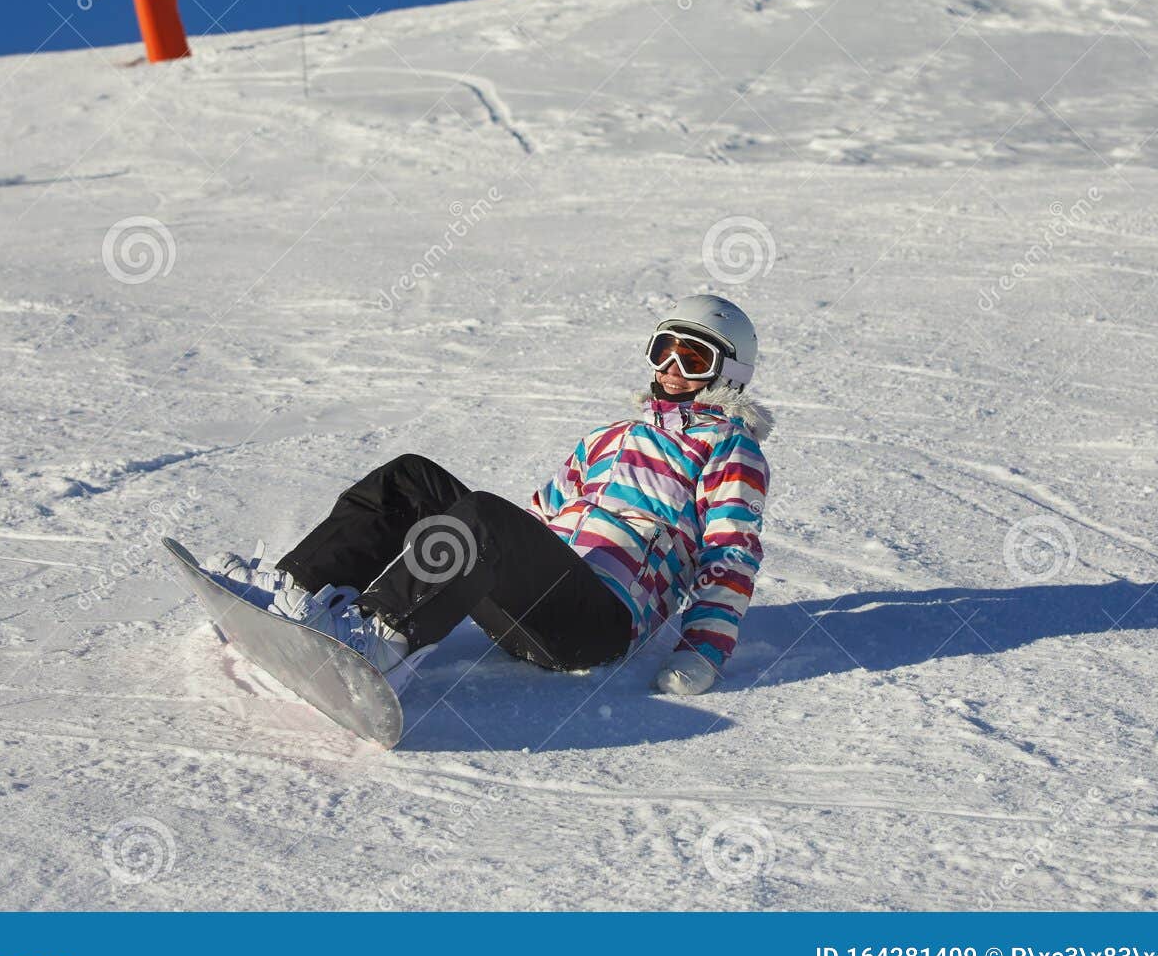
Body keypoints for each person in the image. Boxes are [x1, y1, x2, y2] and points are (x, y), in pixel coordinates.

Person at [205, 294, 773, 700]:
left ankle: (379, 642)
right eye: (664, 350)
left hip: (597, 623)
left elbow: (731, 554)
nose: (672, 369)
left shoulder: (729, 447)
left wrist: (702, 650)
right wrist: (482, 555)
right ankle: (294, 589)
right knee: (412, 478)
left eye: (693, 359)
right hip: (543, 599)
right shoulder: (608, 438)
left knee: (483, 516)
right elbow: (536, 520)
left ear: (729, 373)